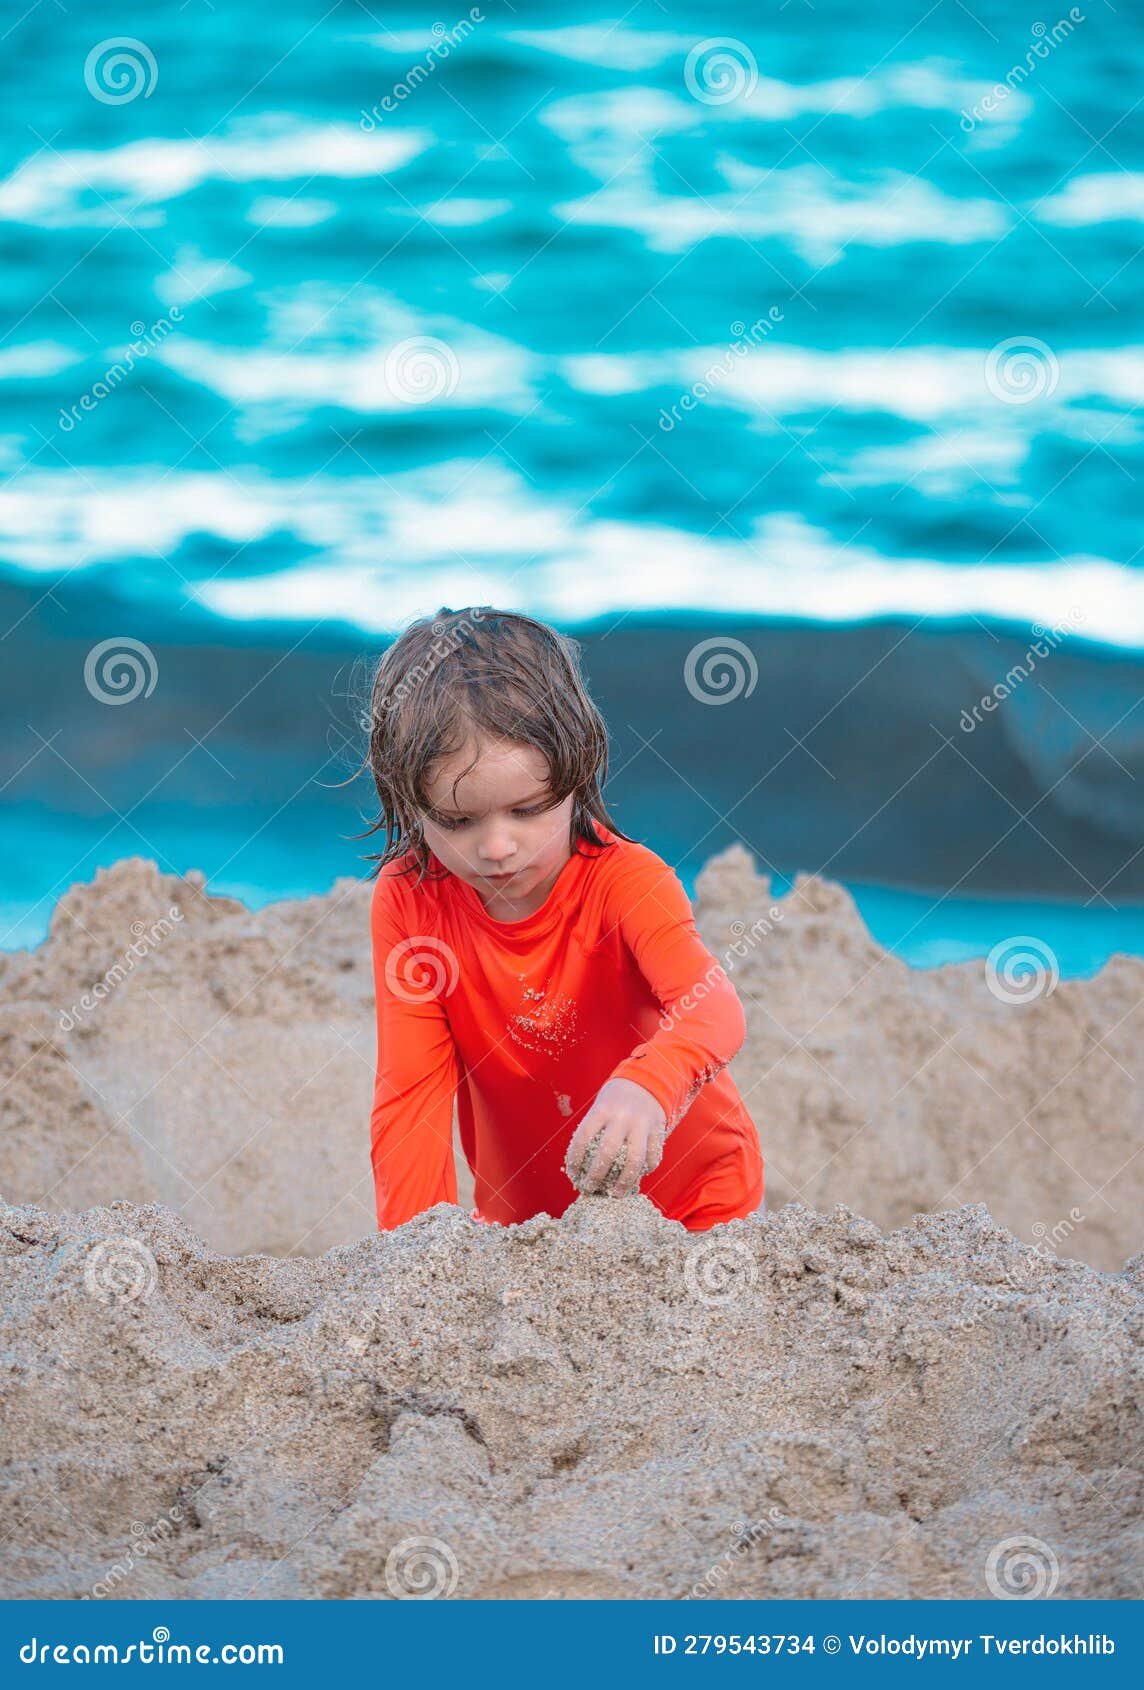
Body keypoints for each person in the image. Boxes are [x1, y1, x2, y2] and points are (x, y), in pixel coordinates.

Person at [361, 606, 764, 1233]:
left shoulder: (626, 880)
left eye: (526, 810)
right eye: (457, 821)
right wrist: (416, 1255)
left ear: (576, 769)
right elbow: (410, 1101)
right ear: (409, 801)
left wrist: (649, 1083)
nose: (496, 847)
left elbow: (715, 1010)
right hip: (528, 1224)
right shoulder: (410, 899)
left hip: (698, 1205)